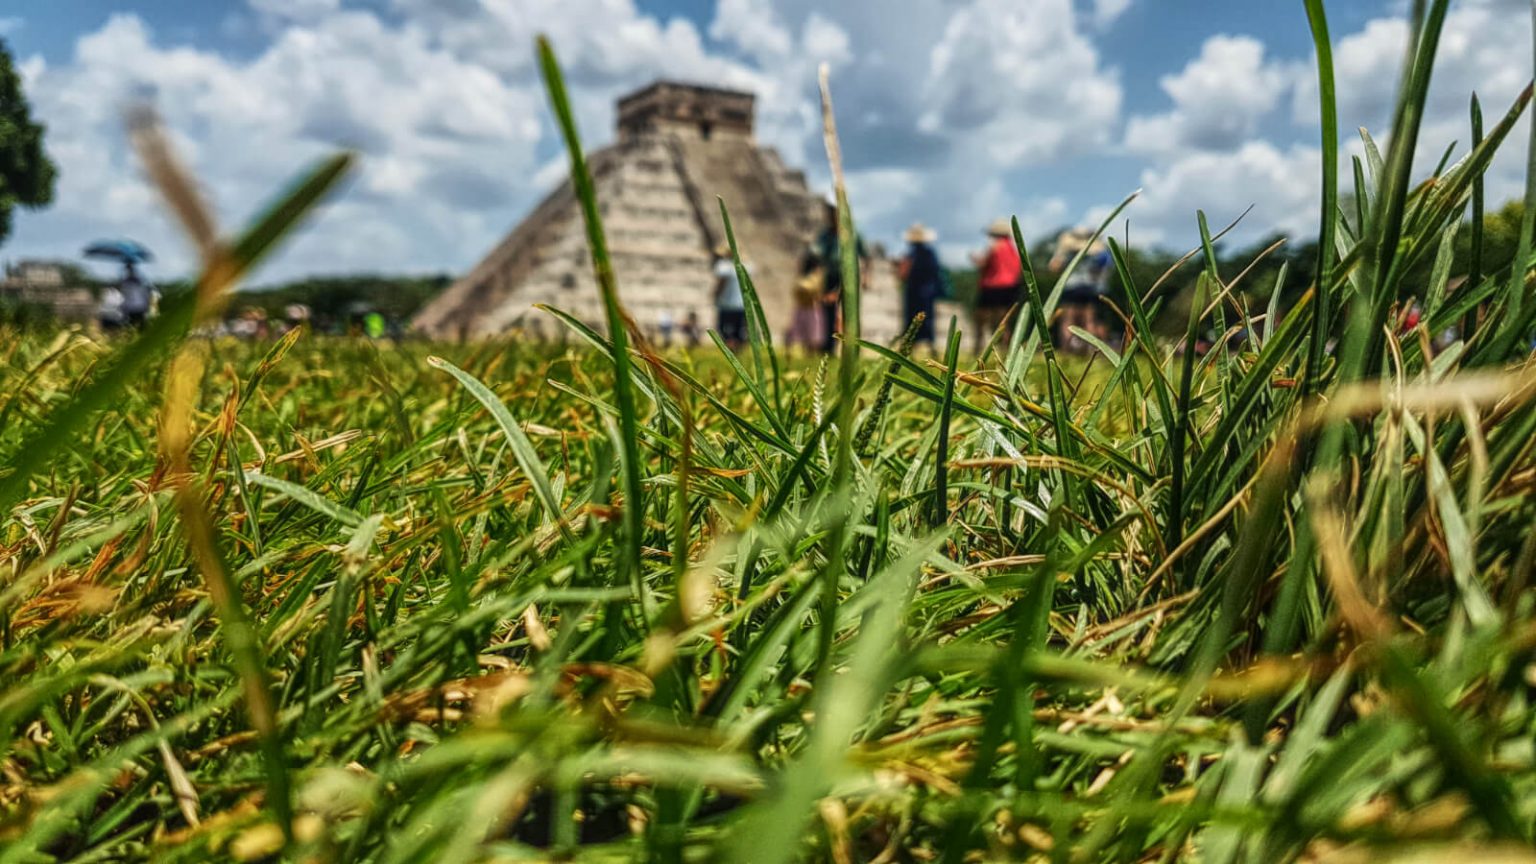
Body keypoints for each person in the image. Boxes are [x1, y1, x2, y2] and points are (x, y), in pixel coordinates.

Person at [814, 200, 868, 354]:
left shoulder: (853, 234)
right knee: (828, 313)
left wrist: (866, 277)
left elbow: (865, 256)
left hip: (850, 276)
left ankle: (853, 347)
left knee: (851, 313)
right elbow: (817, 257)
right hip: (830, 277)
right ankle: (828, 347)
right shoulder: (825, 236)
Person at [1049, 227, 1112, 354]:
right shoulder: (1096, 252)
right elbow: (1105, 268)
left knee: (1068, 320)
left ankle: (1066, 350)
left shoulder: (1070, 252)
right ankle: (1089, 351)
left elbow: (1054, 267)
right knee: (1089, 320)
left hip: (1071, 287)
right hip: (1089, 288)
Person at [972, 219, 1023, 354]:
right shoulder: (1013, 249)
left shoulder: (995, 246)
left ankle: (978, 349)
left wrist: (975, 259)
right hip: (1011, 287)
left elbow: (983, 264)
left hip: (992, 287)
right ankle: (1006, 350)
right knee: (1004, 320)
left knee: (981, 320)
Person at [898, 222, 944, 350]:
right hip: (924, 292)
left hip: (920, 292)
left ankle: (916, 347)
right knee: (923, 320)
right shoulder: (923, 254)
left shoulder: (913, 255)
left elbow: (904, 275)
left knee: (919, 320)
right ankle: (920, 346)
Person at [784, 247, 824, 353]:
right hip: (802, 307)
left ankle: (811, 352)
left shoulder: (816, 276)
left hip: (811, 307)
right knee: (801, 331)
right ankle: (804, 351)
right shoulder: (803, 276)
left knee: (812, 333)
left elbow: (811, 288)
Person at [713, 245, 748, 349]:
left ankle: (731, 350)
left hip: (726, 304)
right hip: (741, 304)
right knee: (739, 330)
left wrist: (715, 295)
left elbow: (721, 284)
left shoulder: (723, 266)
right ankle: (737, 350)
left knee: (724, 329)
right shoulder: (744, 266)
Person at [118, 262, 155, 329]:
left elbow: (124, 293)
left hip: (135, 307)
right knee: (139, 326)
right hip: (137, 307)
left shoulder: (128, 282)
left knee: (135, 326)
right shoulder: (138, 281)